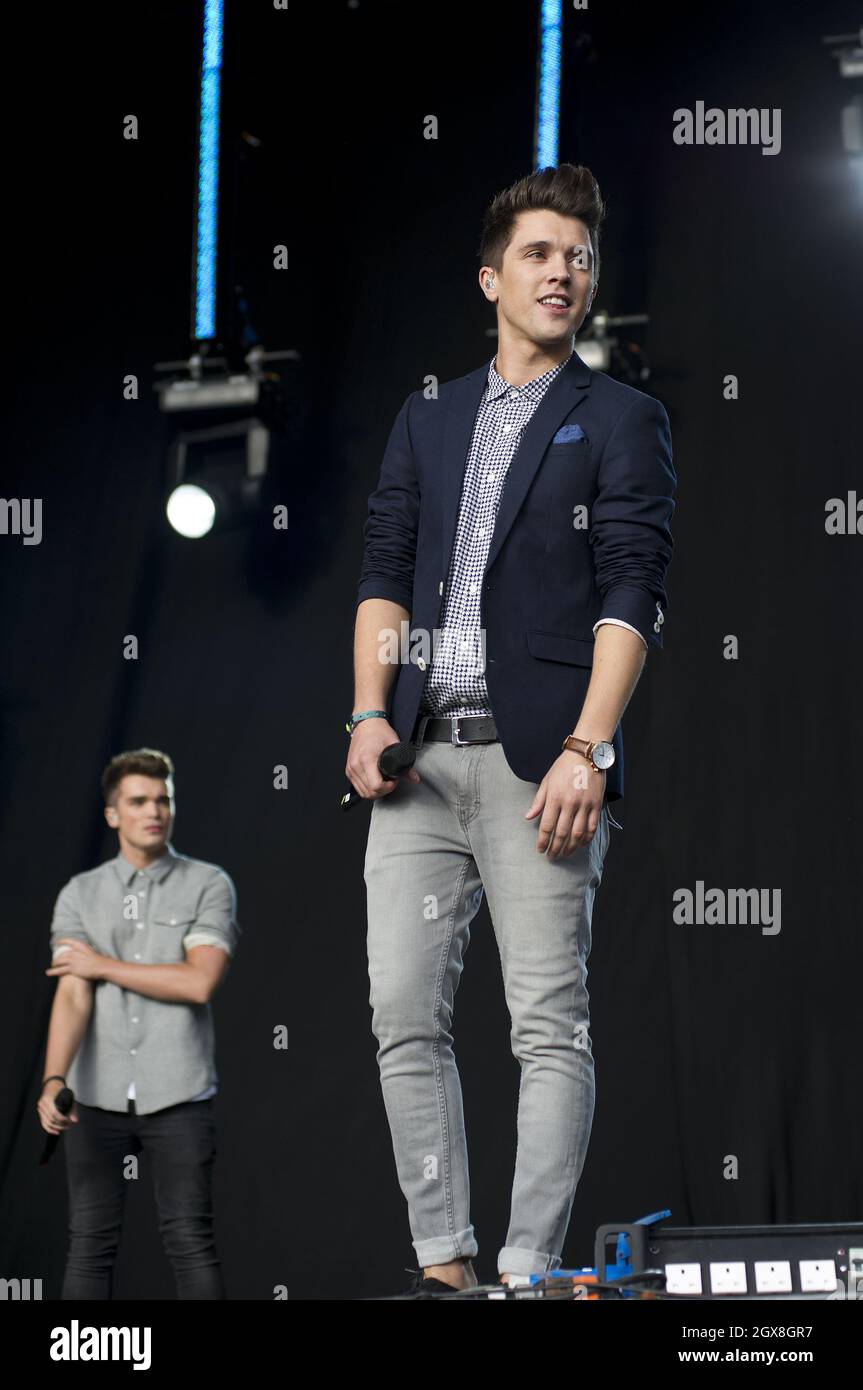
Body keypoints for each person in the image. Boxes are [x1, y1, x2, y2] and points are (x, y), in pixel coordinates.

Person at [346, 164, 676, 1295]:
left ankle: (527, 1267)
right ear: (492, 277)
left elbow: (631, 589)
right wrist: (360, 711)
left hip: (546, 764)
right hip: (419, 762)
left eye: (579, 256)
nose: (564, 272)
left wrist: (589, 746)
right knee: (400, 1016)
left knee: (546, 1026)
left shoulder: (623, 417)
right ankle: (443, 1262)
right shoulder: (427, 415)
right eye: (540, 253)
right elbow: (384, 574)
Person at [38, 747, 239, 1299]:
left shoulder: (208, 884)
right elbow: (73, 993)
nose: (154, 811)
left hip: (180, 1091)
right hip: (94, 1097)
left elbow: (197, 982)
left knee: (190, 1239)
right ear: (112, 813)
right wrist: (55, 1080)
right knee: (89, 1241)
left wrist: (100, 963)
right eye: (138, 801)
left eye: (163, 800)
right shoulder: (80, 894)